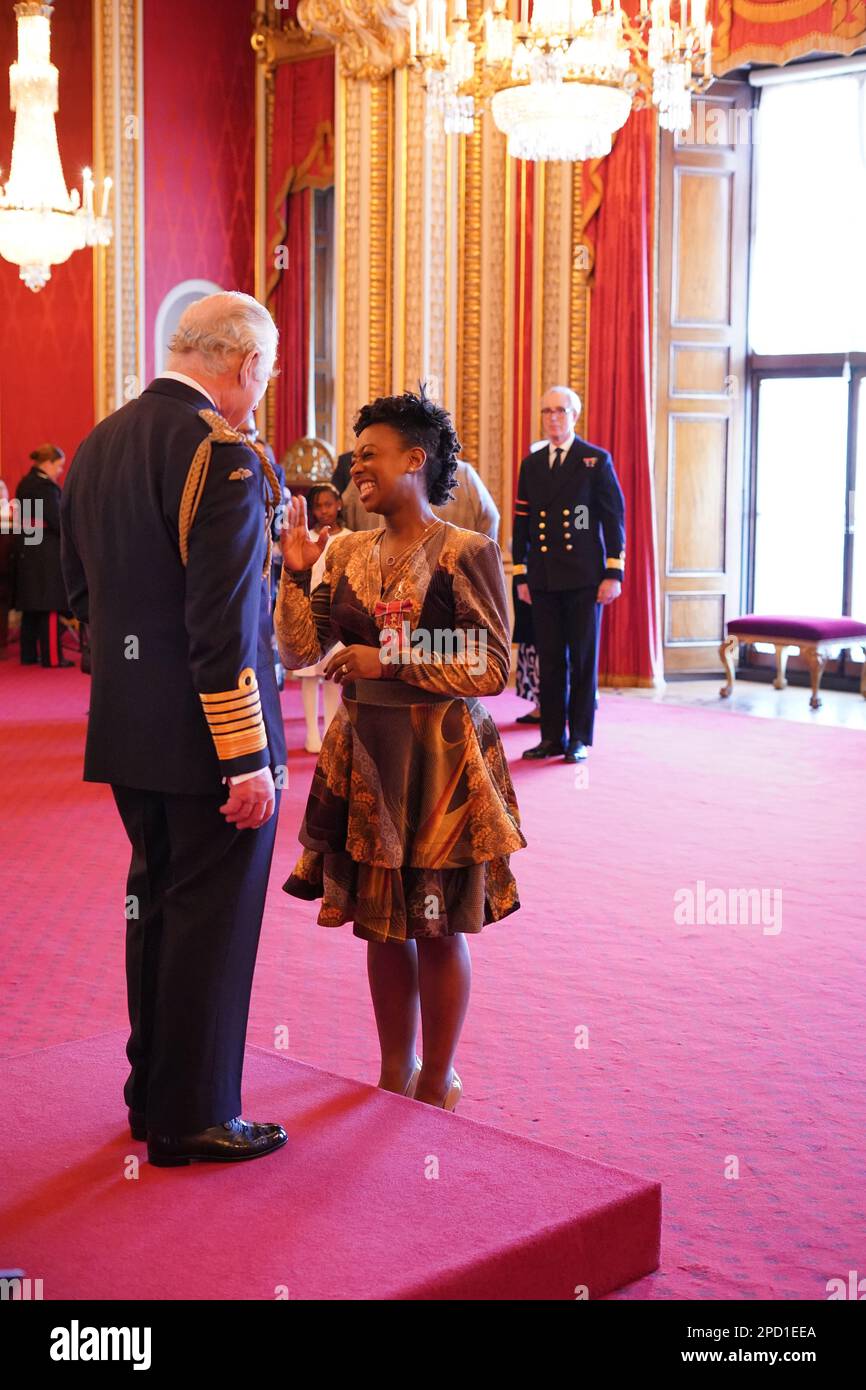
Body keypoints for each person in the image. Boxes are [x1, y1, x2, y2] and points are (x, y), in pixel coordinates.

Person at [60, 291, 288, 1168]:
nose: (259, 392)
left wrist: (131, 685)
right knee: (210, 919)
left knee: (153, 905)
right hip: (208, 742)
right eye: (262, 373)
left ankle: (150, 1090)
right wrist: (246, 758)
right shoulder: (222, 454)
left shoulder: (99, 442)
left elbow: (84, 601)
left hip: (126, 728)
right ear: (246, 365)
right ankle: (194, 1114)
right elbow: (223, 625)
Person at [274, 389, 525, 1111]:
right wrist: (295, 576)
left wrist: (392, 660)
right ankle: (394, 1069)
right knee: (383, 925)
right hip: (365, 756)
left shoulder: (467, 551)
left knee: (438, 923)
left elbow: (491, 666)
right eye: (356, 456)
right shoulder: (344, 549)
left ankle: (438, 1075)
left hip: (440, 762)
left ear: (415, 460)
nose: (356, 468)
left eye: (369, 455)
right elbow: (300, 649)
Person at [513, 386, 625, 765]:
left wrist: (613, 572)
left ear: (575, 415)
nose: (552, 418)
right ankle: (550, 737)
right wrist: (521, 575)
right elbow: (523, 522)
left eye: (560, 411)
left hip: (584, 578)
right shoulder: (532, 464)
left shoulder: (594, 460)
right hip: (543, 578)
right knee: (550, 661)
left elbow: (612, 519)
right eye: (546, 411)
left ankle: (578, 737)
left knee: (581, 660)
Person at [288, 483, 350, 753]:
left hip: (339, 616)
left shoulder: (352, 537)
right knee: (309, 676)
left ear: (339, 504)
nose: (324, 510)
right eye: (318, 506)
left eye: (328, 504)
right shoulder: (306, 538)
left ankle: (331, 731)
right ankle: (312, 732)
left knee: (333, 676)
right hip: (311, 613)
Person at [341, 455, 500, 540]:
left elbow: (346, 514)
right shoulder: (464, 473)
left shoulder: (376, 477)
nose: (355, 468)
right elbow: (490, 517)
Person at [12, 445, 72, 667]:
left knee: (31, 607)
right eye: (58, 466)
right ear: (47, 464)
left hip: (29, 550)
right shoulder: (46, 488)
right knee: (50, 606)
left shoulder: (25, 484)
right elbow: (58, 521)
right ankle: (52, 658)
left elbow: (29, 528)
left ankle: (28, 655)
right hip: (46, 554)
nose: (59, 471)